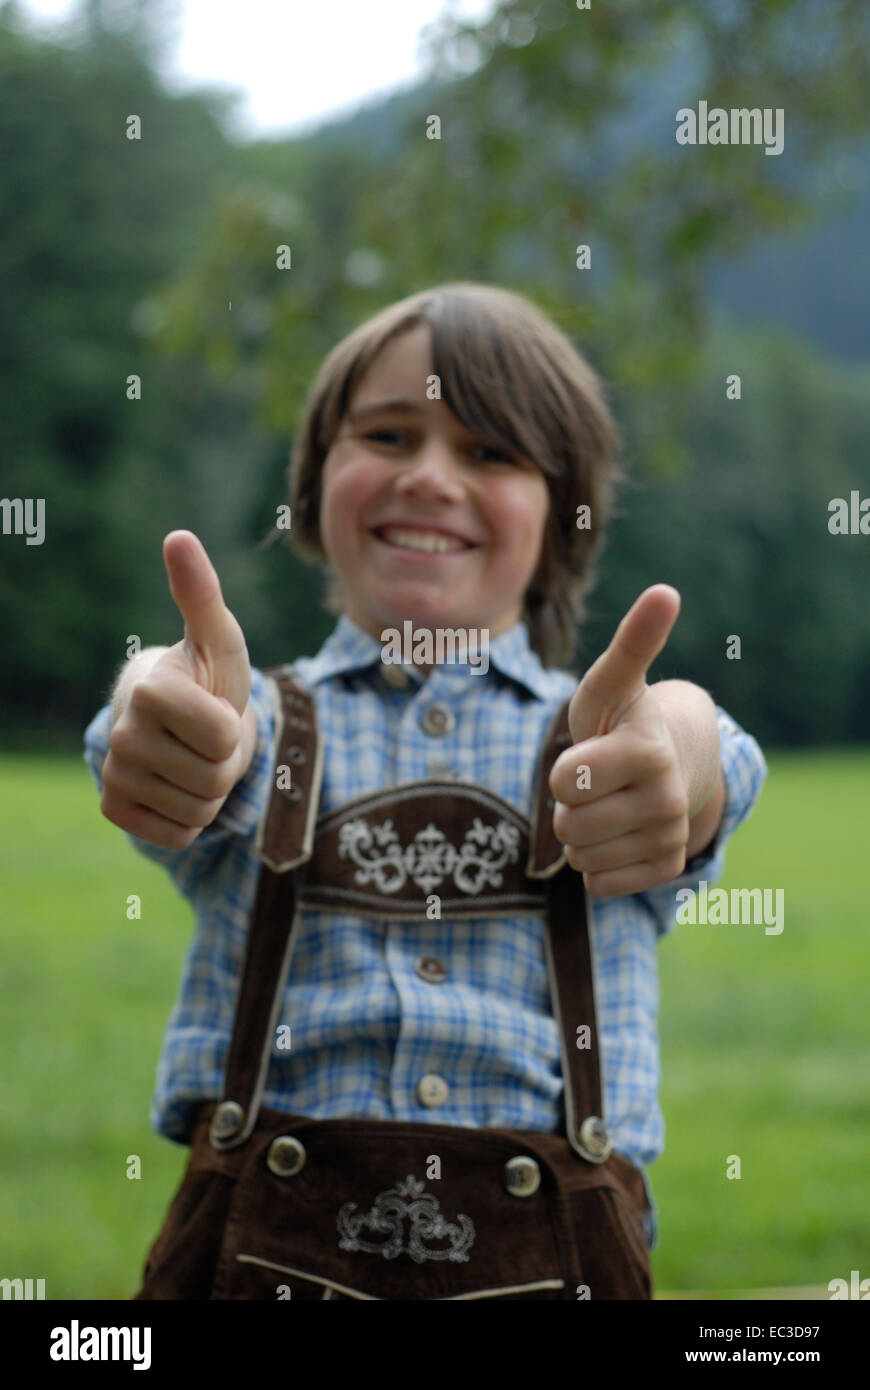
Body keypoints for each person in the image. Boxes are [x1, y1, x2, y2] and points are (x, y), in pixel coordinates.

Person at [83, 282, 766, 1300]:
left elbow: (704, 761)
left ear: (561, 510)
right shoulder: (258, 725)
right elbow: (159, 715)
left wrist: (683, 739)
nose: (431, 478)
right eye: (389, 434)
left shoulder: (605, 746)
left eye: (491, 452)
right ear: (315, 481)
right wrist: (156, 703)